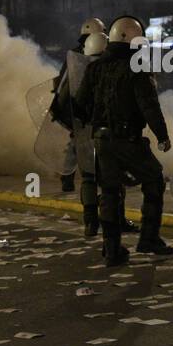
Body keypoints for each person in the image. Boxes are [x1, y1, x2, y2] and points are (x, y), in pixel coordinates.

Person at [75, 15, 173, 266]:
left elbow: (79, 105)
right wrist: (162, 135)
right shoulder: (136, 66)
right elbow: (149, 106)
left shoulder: (95, 67)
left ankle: (112, 249)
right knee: (154, 179)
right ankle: (149, 238)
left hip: (101, 139)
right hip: (126, 139)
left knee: (109, 191)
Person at [54, 31, 107, 237]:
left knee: (88, 178)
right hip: (106, 133)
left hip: (84, 130)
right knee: (110, 182)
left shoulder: (78, 66)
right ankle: (113, 226)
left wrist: (74, 124)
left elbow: (66, 98)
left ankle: (90, 223)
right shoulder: (109, 69)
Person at [52, 17, 104, 191]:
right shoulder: (95, 55)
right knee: (84, 142)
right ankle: (86, 178)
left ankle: (70, 177)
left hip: (78, 105)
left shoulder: (74, 54)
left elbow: (61, 80)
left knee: (77, 143)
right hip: (88, 105)